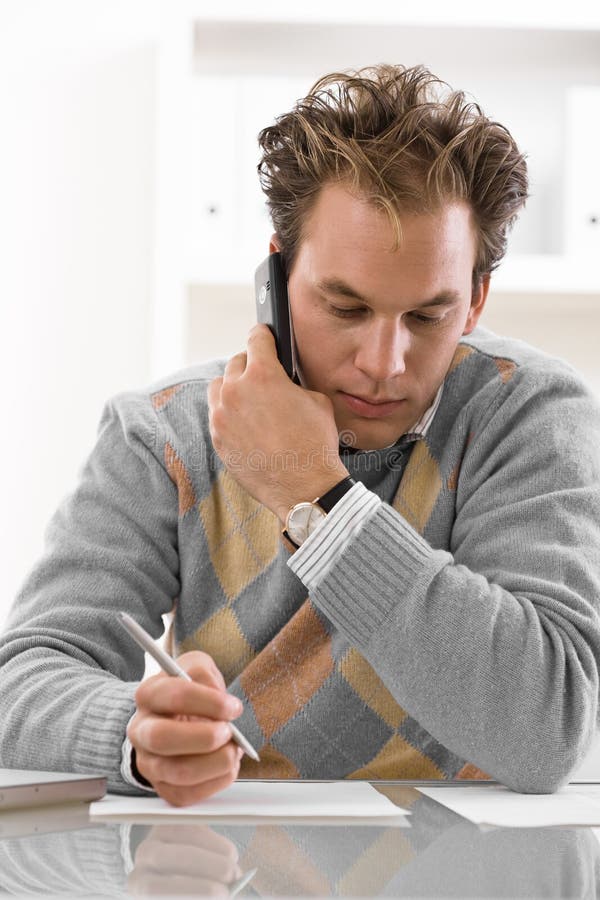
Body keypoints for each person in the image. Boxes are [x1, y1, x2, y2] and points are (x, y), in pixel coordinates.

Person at [1, 64, 600, 808]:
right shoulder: (163, 432)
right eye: (345, 308)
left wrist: (314, 493)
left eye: (427, 316)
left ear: (476, 298)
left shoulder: (528, 415)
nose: (385, 365)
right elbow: (23, 678)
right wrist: (134, 733)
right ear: (277, 276)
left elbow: (546, 729)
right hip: (232, 868)